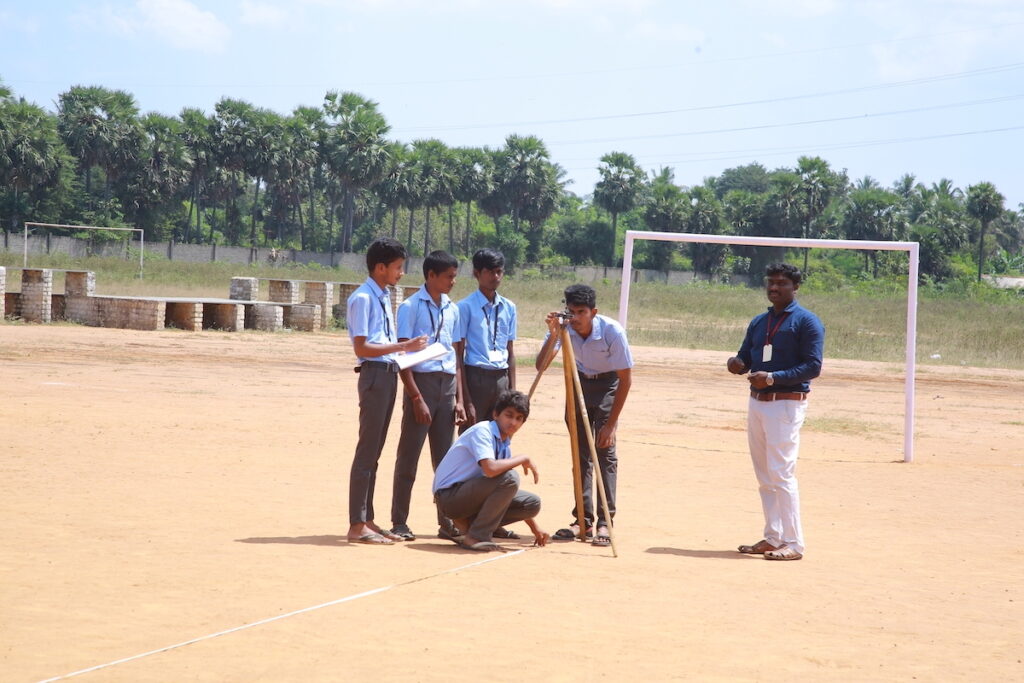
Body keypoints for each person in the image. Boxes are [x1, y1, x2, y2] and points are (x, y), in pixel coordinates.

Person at [727, 262, 824, 561]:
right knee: (765, 476)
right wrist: (736, 363)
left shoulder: (807, 322)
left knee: (782, 474)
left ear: (795, 287)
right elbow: (745, 355)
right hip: (757, 403)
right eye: (770, 282)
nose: (774, 288)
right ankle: (773, 537)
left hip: (785, 404)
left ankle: (794, 544)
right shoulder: (759, 322)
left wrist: (772, 378)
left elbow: (813, 366)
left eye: (781, 283)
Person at [536, 284, 633, 547]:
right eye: (571, 311)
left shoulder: (612, 332)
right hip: (578, 384)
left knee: (604, 452)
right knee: (580, 456)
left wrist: (611, 424)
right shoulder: (565, 327)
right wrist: (554, 332)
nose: (575, 318)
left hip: (608, 385)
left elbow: (625, 380)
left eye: (581, 312)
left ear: (594, 312)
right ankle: (583, 519)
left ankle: (605, 521)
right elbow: (540, 365)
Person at [345, 237, 428, 545]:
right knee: (367, 452)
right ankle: (356, 524)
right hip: (374, 375)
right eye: (397, 267)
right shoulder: (364, 298)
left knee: (375, 452)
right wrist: (404, 346)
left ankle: (367, 518)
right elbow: (362, 346)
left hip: (388, 373)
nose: (401, 273)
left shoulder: (382, 296)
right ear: (380, 268)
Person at [390, 250, 465, 542]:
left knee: (444, 461)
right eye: (448, 276)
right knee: (409, 456)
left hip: (446, 385)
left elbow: (455, 354)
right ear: (431, 276)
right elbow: (402, 354)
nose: (452, 282)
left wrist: (458, 397)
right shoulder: (410, 307)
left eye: (455, 276)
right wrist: (416, 397)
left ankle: (446, 521)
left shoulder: (452, 309)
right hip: (420, 384)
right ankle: (399, 521)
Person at [432, 390, 549, 551]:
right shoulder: (482, 431)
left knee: (531, 504)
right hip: (449, 497)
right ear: (496, 414)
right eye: (509, 415)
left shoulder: (504, 443)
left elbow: (503, 488)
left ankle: (471, 527)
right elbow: (490, 470)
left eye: (519, 418)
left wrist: (534, 528)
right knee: (510, 477)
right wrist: (523, 458)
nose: (513, 422)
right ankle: (476, 536)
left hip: (469, 495)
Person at [456, 248, 520, 540]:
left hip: (501, 380)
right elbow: (459, 354)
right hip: (475, 377)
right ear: (476, 274)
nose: (495, 277)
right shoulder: (465, 307)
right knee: (473, 449)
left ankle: (491, 517)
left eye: (499, 272)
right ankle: (461, 518)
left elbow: (510, 350)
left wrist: (514, 393)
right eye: (489, 272)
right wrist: (464, 397)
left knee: (499, 446)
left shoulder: (509, 307)